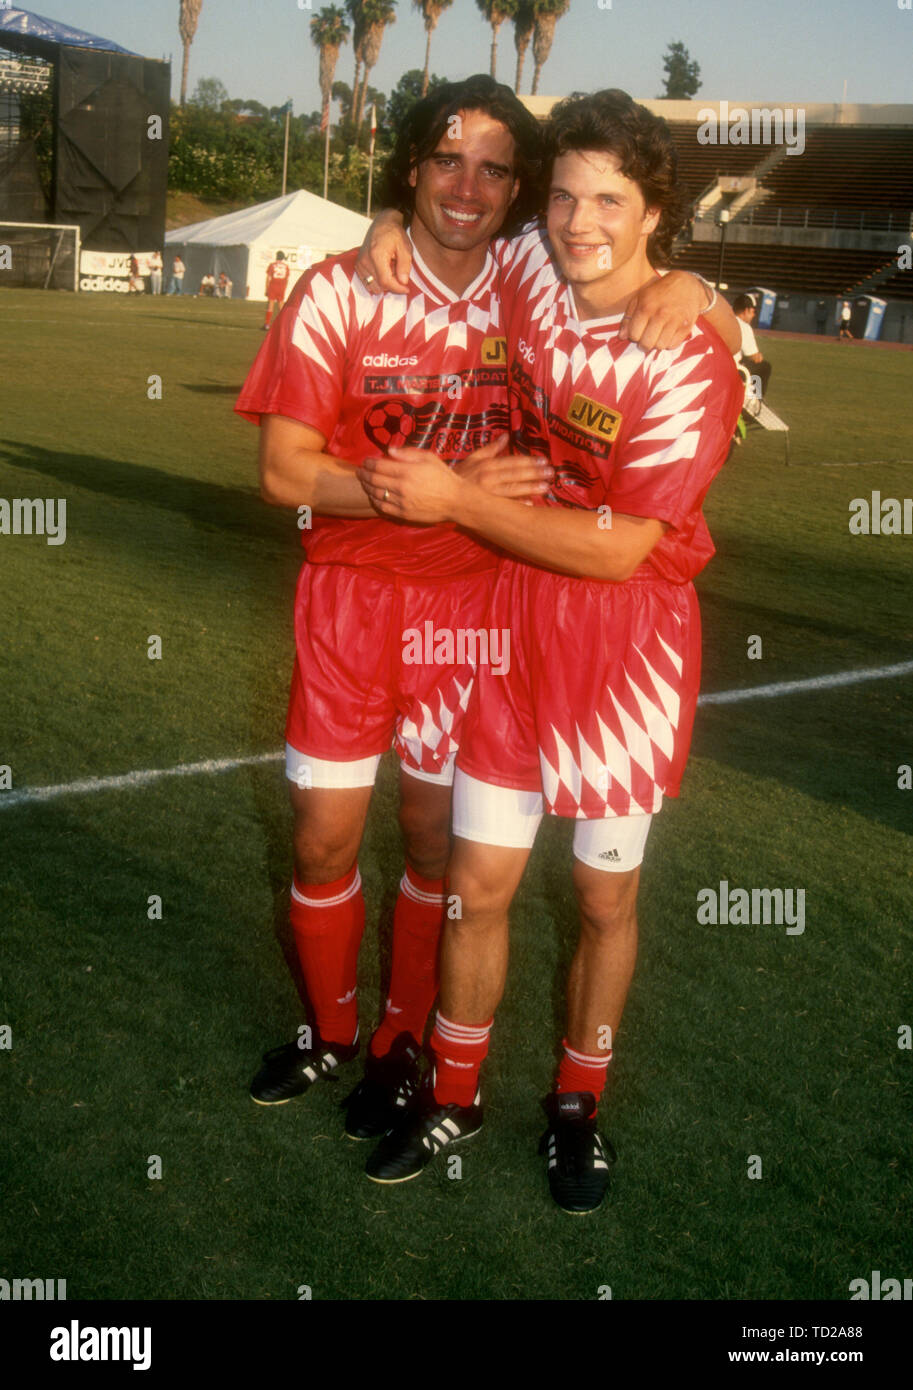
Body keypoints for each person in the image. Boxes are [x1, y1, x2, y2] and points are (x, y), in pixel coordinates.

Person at [233, 77, 728, 1149]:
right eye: (447, 161)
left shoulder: (532, 268)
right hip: (357, 597)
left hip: (487, 605)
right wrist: (397, 487)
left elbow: (649, 279)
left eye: (498, 170)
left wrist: (703, 291)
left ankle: (407, 1050)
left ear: (518, 191)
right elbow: (280, 472)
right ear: (411, 168)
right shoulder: (349, 285)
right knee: (327, 838)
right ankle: (334, 1029)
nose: (471, 187)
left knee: (446, 847)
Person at [357, 89, 743, 1213]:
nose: (578, 222)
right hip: (510, 622)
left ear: (654, 211)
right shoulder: (530, 263)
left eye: (608, 202)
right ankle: (457, 1087)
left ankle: (578, 1103)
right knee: (478, 886)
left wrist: (454, 501)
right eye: (564, 194)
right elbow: (448, 236)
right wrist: (386, 222)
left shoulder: (683, 359)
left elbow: (623, 552)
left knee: (603, 897)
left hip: (623, 650)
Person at [732, 292, 772, 397]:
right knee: (764, 366)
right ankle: (755, 398)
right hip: (734, 370)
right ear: (746, 310)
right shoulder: (744, 326)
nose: (754, 315)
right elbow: (755, 357)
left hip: (717, 365)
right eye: (753, 312)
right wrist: (758, 355)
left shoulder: (725, 320)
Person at [263, 250, 291, 328]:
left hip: (273, 285)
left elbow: (268, 278)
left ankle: (267, 324)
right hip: (281, 286)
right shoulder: (286, 266)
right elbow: (287, 279)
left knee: (270, 304)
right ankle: (283, 324)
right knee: (281, 305)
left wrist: (266, 289)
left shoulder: (272, 265)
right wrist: (284, 288)